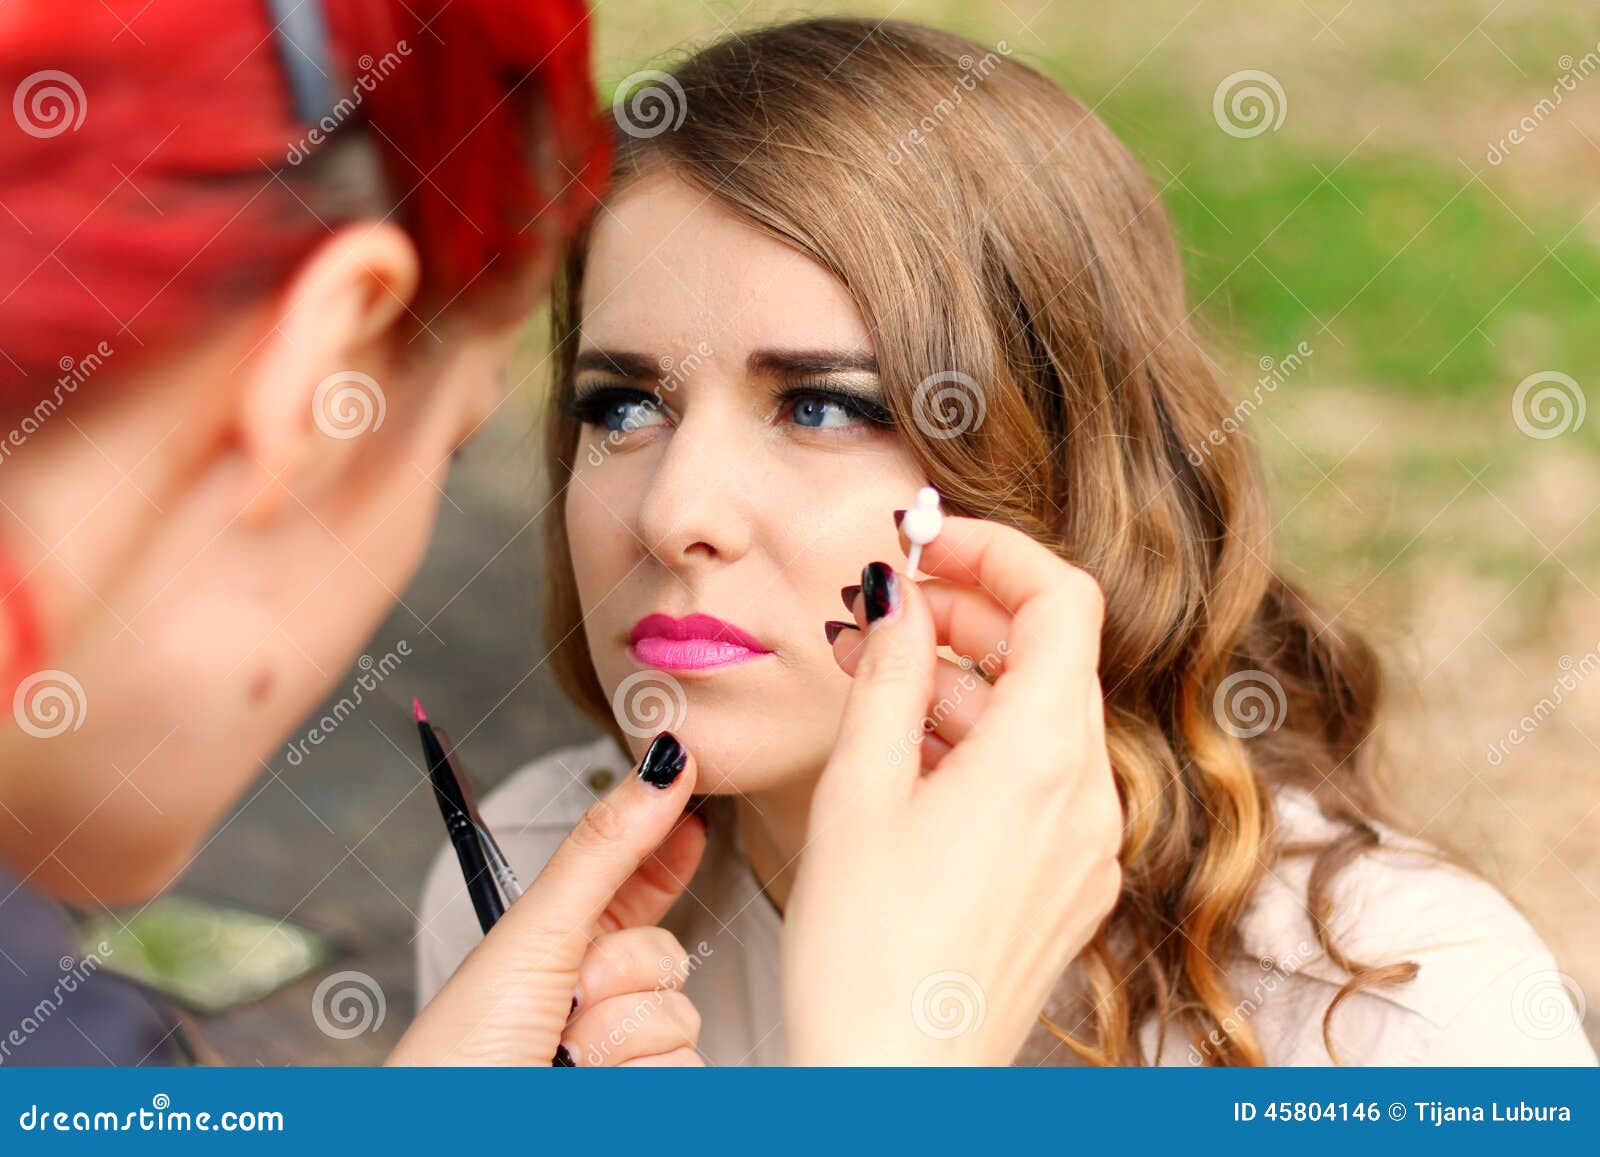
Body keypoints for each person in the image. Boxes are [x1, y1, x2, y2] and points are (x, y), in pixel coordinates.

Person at [417, 17, 1596, 1066]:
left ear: (1049, 472)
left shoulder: (1387, 1012)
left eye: (823, 404)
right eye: (622, 405)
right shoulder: (533, 907)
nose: (676, 513)